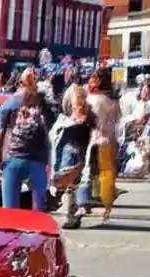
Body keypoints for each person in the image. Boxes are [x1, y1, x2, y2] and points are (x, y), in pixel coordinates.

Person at [0, 69, 50, 210]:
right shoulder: (43, 102)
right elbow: (50, 128)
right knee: (39, 211)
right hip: (38, 160)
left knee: (10, 210)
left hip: (13, 158)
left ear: (20, 82)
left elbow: (1, 132)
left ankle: (12, 231)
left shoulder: (11, 102)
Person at [77, 68, 121, 223]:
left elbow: (85, 119)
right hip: (110, 141)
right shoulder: (114, 101)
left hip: (95, 140)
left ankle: (82, 201)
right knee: (106, 173)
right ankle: (106, 205)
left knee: (87, 172)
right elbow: (116, 121)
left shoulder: (93, 99)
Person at [55, 85, 96, 228]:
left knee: (72, 183)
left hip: (73, 151)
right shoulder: (86, 118)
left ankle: (72, 214)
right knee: (75, 183)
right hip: (79, 151)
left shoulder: (72, 120)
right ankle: (74, 213)